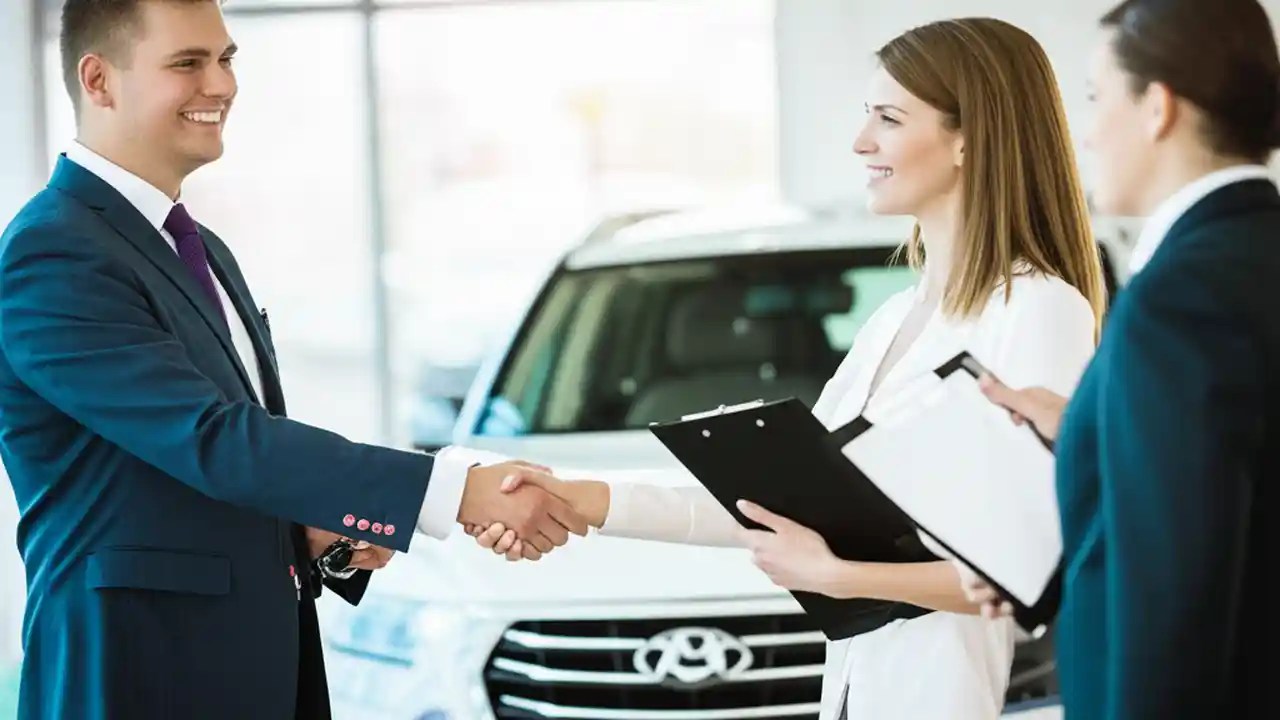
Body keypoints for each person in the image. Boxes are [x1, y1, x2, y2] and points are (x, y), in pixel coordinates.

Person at [467, 17, 1106, 720]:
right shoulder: (893, 325)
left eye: (888, 119)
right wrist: (580, 498)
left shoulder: (1038, 308)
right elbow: (766, 506)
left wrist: (838, 575)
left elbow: (1033, 566)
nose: (861, 143)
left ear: (969, 138)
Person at [0, 1, 586, 718]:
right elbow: (210, 438)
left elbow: (194, 474)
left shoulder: (200, 248)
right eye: (187, 63)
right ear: (99, 80)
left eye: (226, 58)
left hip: (250, 657)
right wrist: (452, 489)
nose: (220, 85)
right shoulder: (53, 252)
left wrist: (317, 531)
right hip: (133, 669)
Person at [971, 1, 1280, 717]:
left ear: (1157, 108)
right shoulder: (1248, 258)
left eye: (1093, 96)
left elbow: (1178, 588)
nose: (1084, 132)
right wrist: (1092, 427)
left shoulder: (1181, 295)